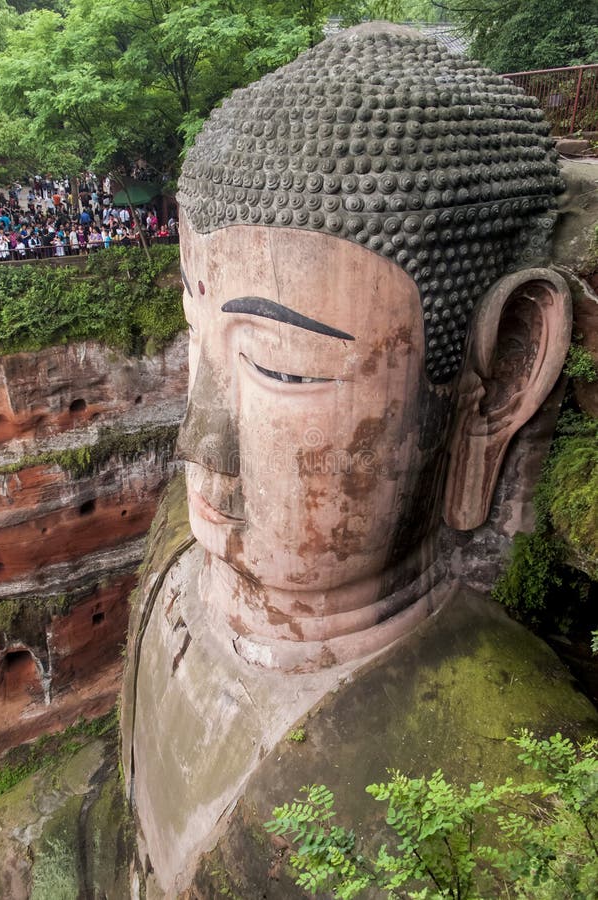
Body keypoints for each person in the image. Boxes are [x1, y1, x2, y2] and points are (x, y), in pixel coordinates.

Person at [123, 22, 574, 893]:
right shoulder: (170, 565)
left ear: (501, 374)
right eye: (195, 342)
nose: (196, 443)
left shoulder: (504, 810)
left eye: (280, 368)